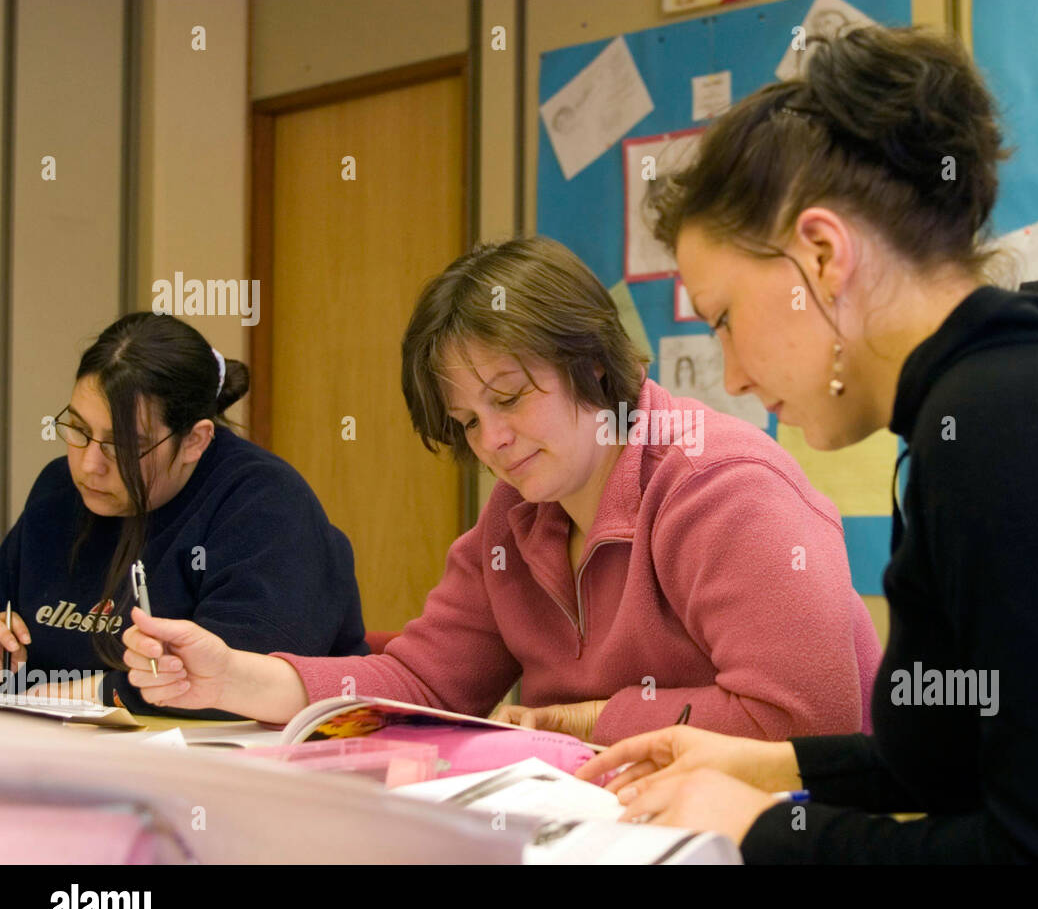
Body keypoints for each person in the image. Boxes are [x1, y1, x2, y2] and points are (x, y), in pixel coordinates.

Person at [575, 26, 1038, 863]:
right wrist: (777, 767)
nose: (730, 374)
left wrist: (762, 828)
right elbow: (992, 743)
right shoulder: (996, 402)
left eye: (724, 319)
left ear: (821, 254)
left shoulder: (1011, 431)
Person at [120, 236, 882, 745]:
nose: (492, 443)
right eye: (466, 422)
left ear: (590, 365)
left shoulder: (719, 486)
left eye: (509, 398)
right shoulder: (518, 515)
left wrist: (588, 721)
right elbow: (424, 681)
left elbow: (809, 721)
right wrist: (230, 675)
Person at [0, 312, 367, 716]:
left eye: (121, 445)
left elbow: (227, 685)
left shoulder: (264, 503)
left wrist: (49, 697)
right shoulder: (59, 491)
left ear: (195, 440)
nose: (89, 465)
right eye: (78, 428)